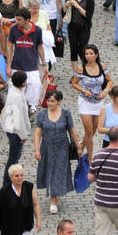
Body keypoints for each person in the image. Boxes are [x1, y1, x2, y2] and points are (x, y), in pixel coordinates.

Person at [34, 88, 77, 216]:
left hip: (62, 148)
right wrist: (36, 149)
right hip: (46, 147)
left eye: (52, 101)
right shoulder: (42, 115)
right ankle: (54, 195)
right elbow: (37, 133)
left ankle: (54, 200)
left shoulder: (65, 113)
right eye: (48, 101)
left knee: (58, 172)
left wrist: (78, 146)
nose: (50, 104)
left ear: (59, 101)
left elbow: (72, 131)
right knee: (49, 171)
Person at [0, 70, 31, 180]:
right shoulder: (16, 96)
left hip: (11, 129)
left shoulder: (14, 89)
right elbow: (19, 119)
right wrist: (23, 135)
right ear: (22, 83)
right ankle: (7, 182)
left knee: (13, 158)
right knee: (13, 159)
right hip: (15, 131)